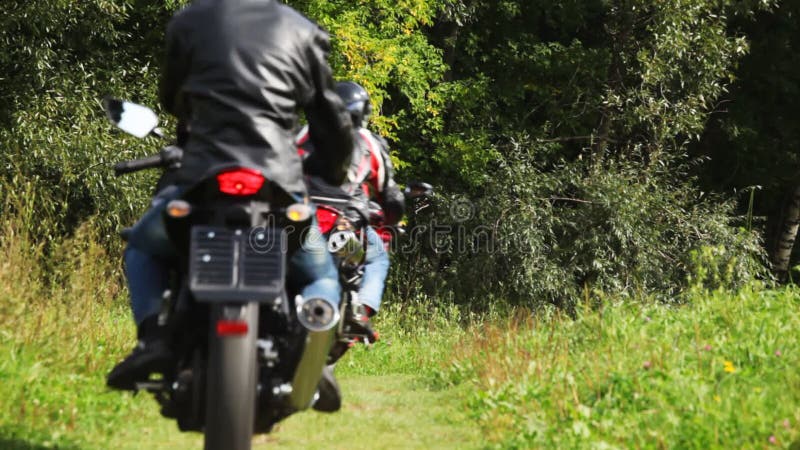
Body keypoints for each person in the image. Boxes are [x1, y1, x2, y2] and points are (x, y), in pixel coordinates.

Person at [106, 0, 354, 392]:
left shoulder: (188, 21)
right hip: (276, 183)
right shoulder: (301, 30)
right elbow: (328, 112)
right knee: (319, 273)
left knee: (143, 246)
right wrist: (336, 168)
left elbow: (172, 97)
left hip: (203, 176)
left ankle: (153, 339)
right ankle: (312, 348)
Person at [297, 81, 405, 333]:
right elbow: (390, 194)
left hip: (301, 215)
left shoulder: (304, 133)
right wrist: (392, 218)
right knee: (378, 257)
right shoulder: (368, 141)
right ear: (361, 113)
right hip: (344, 219)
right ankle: (361, 310)